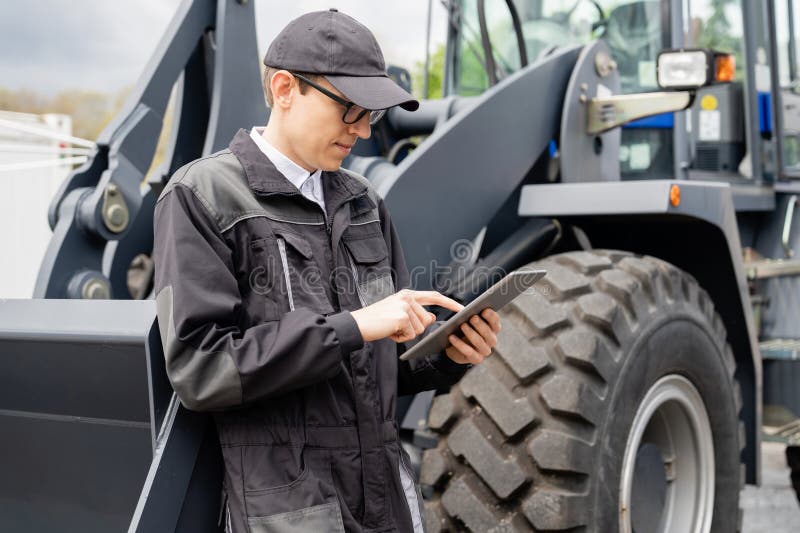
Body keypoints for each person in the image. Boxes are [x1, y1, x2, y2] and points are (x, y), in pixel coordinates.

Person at [153, 9, 501, 533]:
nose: (361, 131)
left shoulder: (364, 203)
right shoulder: (202, 198)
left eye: (371, 116)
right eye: (350, 111)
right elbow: (205, 370)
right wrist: (354, 326)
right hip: (290, 509)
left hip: (385, 500)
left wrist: (446, 358)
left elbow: (382, 364)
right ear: (285, 87)